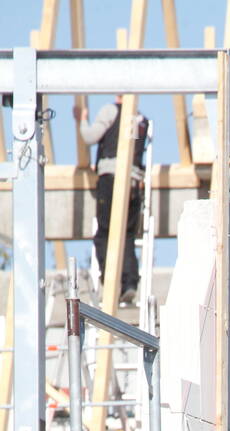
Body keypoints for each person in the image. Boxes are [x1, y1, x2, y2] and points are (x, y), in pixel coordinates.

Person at [73, 98, 148, 306]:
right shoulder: (141, 121)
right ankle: (129, 283)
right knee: (128, 235)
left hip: (112, 179)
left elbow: (89, 137)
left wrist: (82, 120)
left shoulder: (111, 111)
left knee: (104, 233)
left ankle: (111, 283)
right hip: (134, 184)